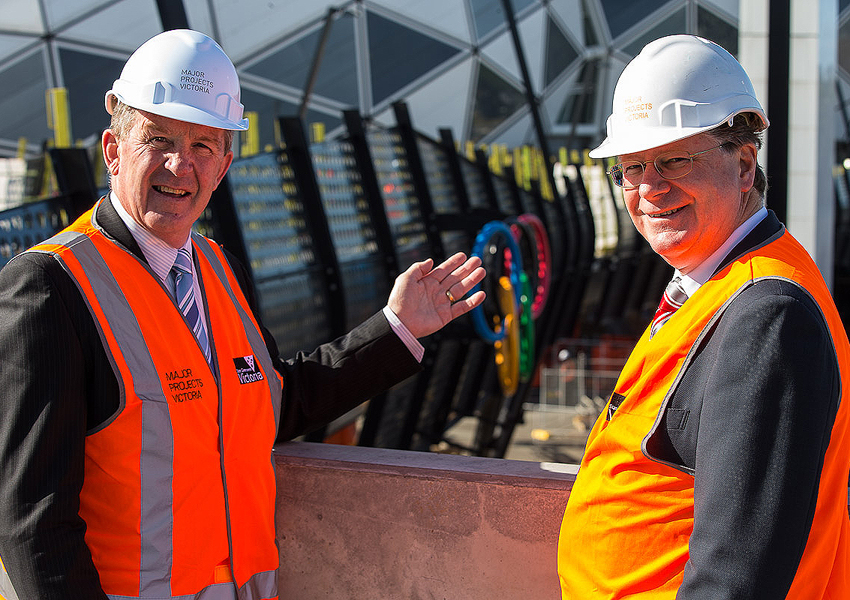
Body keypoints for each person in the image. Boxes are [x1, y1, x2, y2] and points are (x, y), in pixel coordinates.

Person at [0, 29, 485, 600]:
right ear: (113, 149)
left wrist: (397, 328)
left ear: (225, 164)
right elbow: (33, 520)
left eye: (204, 145)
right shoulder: (51, 286)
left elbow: (264, 405)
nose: (181, 166)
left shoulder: (216, 268)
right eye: (159, 140)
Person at [557, 35, 850, 599]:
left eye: (674, 159)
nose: (650, 188)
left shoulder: (768, 316)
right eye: (632, 167)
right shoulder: (713, 285)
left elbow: (739, 571)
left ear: (744, 164)